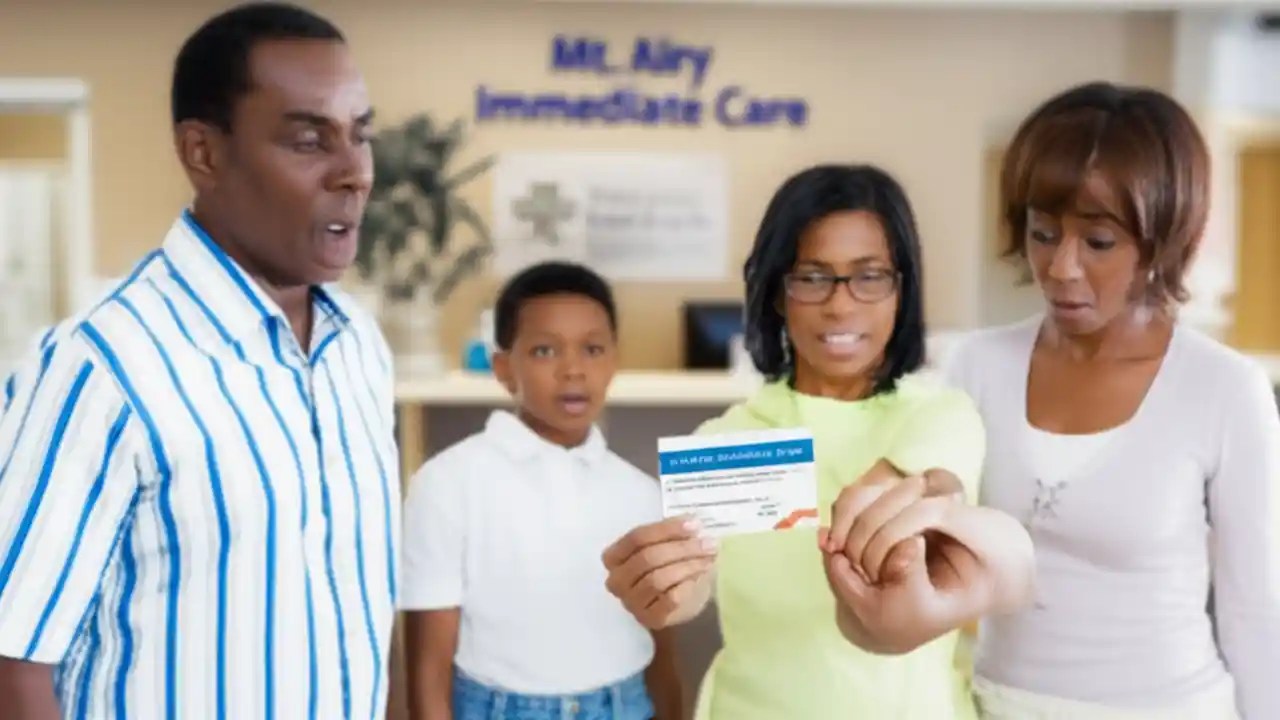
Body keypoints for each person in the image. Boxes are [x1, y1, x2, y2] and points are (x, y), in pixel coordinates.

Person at [0, 4, 398, 719]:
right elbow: (12, 657)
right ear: (204, 154)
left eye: (360, 136)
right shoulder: (99, 367)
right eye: (310, 141)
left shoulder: (358, 348)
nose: (354, 174)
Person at [600, 164, 1036, 720]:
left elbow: (930, 486)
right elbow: (694, 584)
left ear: (902, 289)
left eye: (869, 276)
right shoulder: (729, 438)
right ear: (777, 293)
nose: (840, 305)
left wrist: (918, 508)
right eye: (811, 277)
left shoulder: (939, 413)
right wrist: (665, 593)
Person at [944, 81, 1280, 719]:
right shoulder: (977, 364)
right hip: (998, 703)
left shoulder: (1225, 390)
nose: (1062, 267)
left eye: (1098, 242)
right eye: (1044, 234)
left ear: (1164, 241)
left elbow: (1256, 611)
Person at [400, 261, 683, 720]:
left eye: (592, 349)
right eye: (545, 351)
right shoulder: (448, 482)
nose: (573, 370)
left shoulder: (642, 493)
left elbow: (661, 655)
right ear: (503, 369)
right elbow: (428, 674)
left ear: (614, 361)